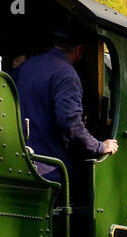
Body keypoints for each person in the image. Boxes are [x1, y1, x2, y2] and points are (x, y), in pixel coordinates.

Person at [13, 28, 118, 180]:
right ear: (79, 50)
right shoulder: (67, 75)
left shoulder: (28, 65)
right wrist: (99, 146)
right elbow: (70, 124)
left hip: (18, 160)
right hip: (47, 168)